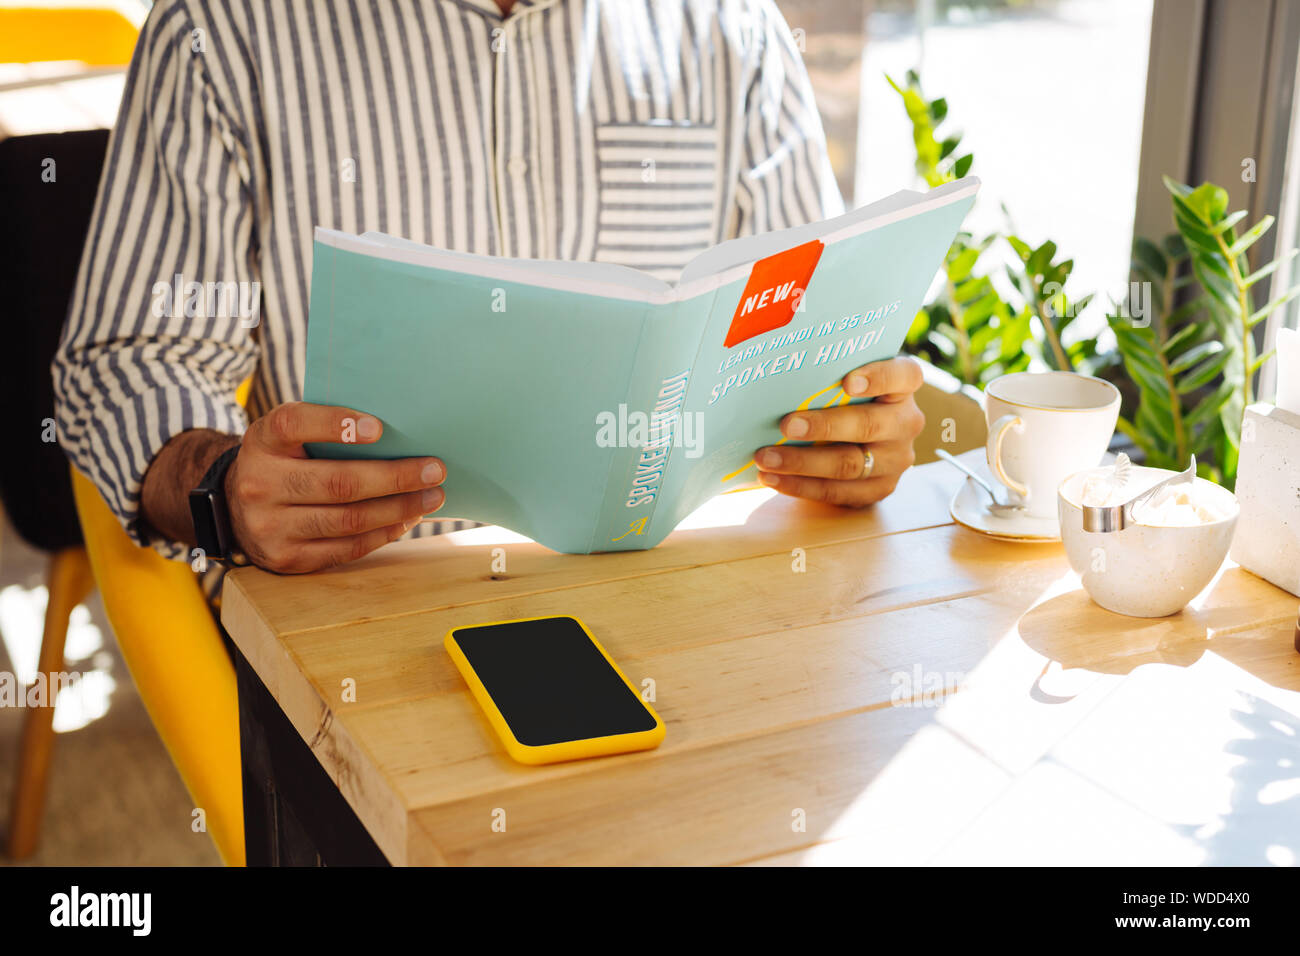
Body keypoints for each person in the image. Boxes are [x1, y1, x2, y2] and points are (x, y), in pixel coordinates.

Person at [54, 0, 925, 582]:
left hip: (679, 593)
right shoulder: (222, 27)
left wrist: (851, 429)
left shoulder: (731, 26)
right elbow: (131, 358)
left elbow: (815, 329)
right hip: (370, 605)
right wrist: (221, 490)